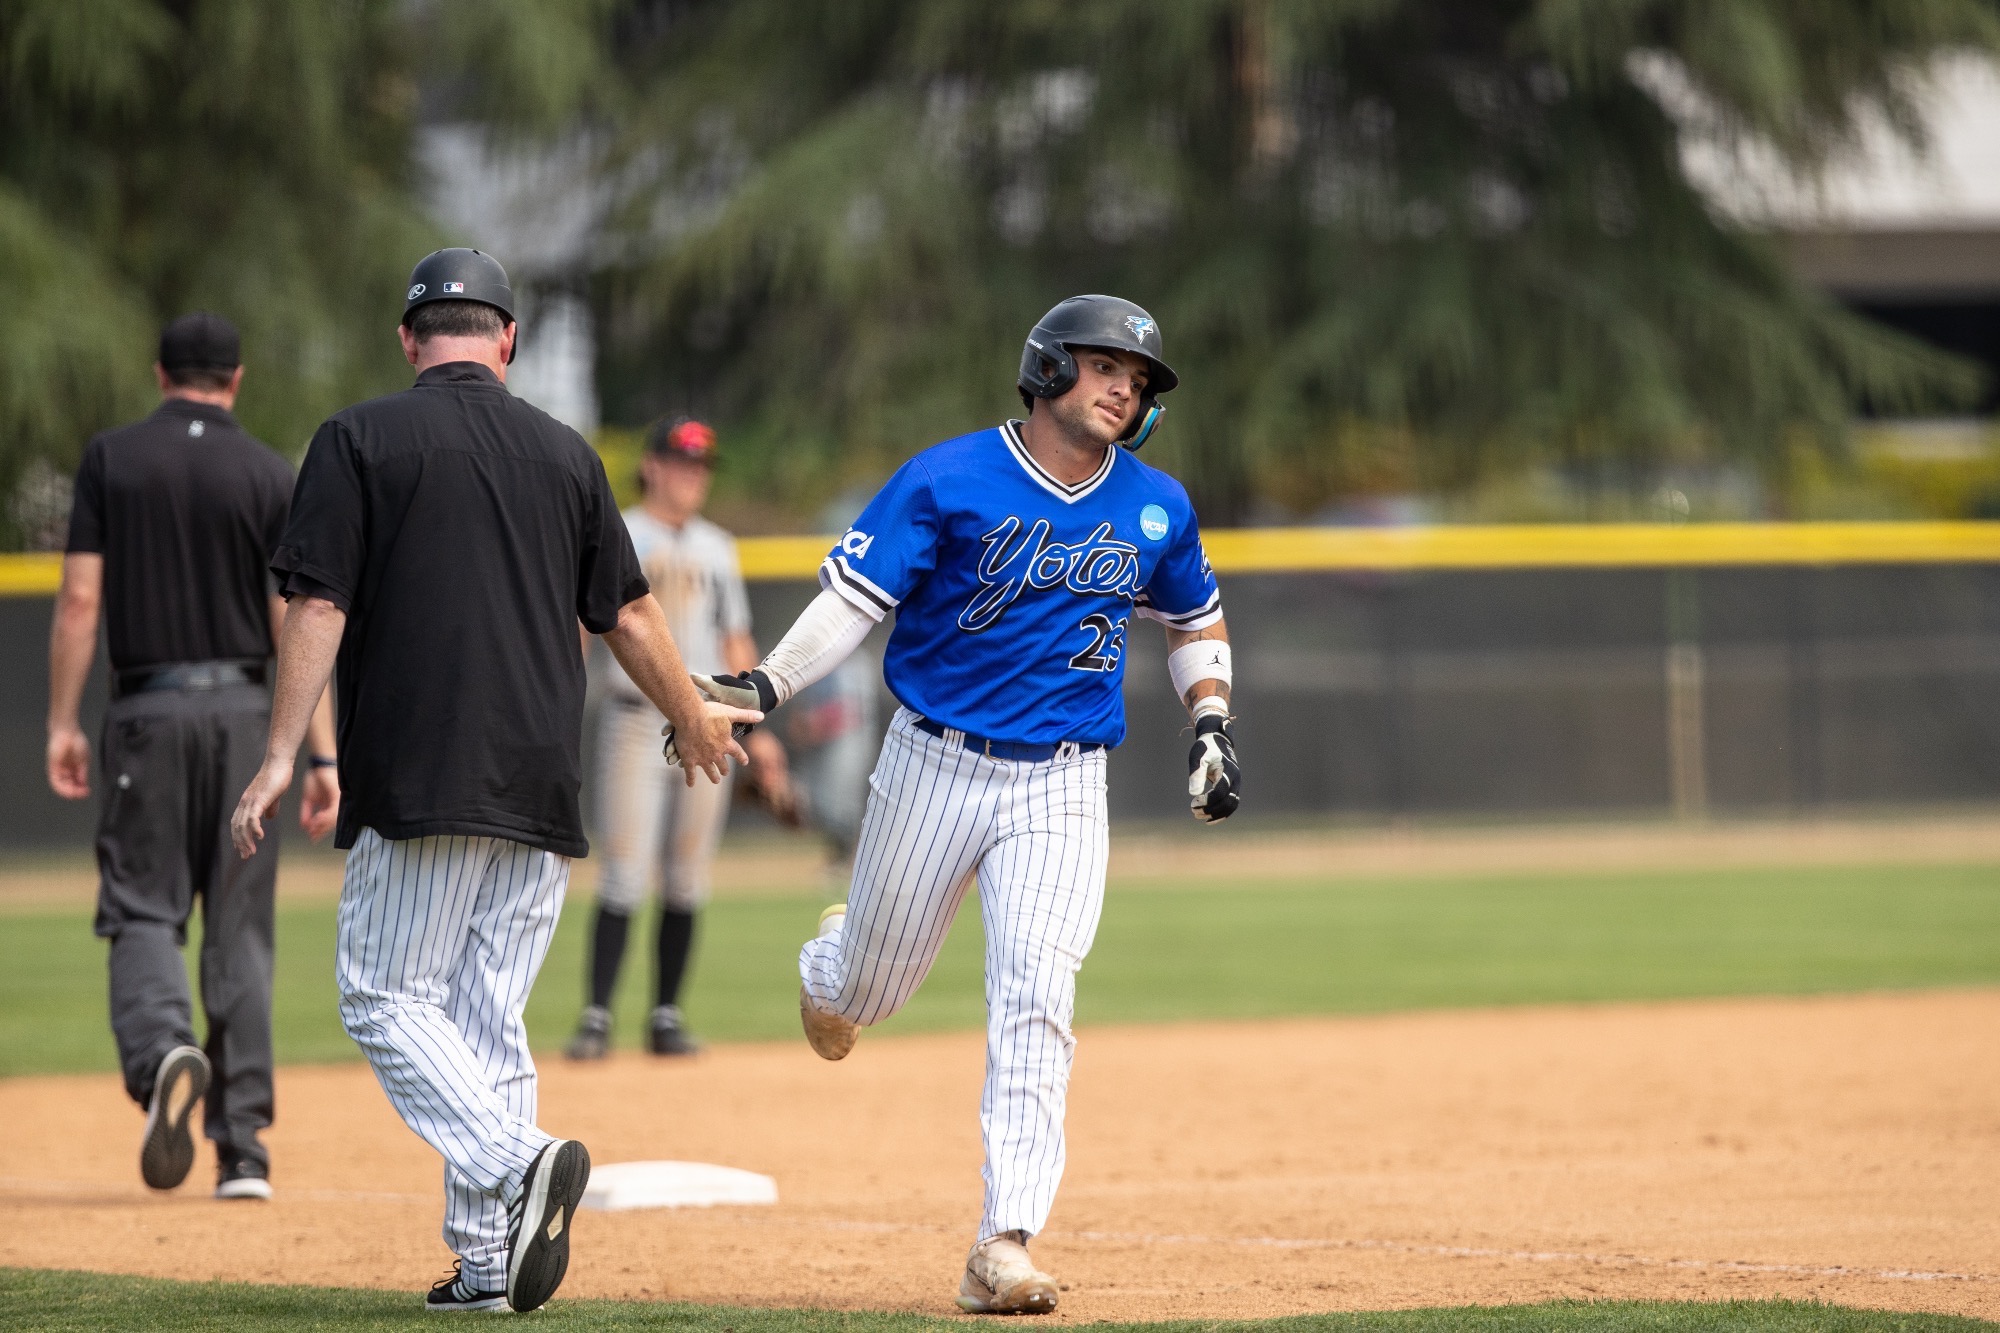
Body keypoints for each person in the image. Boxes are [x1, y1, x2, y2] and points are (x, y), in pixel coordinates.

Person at [226, 249, 758, 1314]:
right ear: (506, 339)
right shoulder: (565, 453)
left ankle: (519, 1159)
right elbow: (632, 613)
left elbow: (316, 605)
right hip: (541, 773)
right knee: (484, 1019)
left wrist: (283, 753)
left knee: (382, 997)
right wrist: (691, 714)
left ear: (407, 339)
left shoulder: (356, 437)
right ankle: (483, 1263)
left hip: (423, 766)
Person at [693, 296, 1240, 1314]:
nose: (1124, 386)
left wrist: (1210, 723)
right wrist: (763, 684)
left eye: (1140, 378)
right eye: (1103, 366)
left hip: (1066, 779)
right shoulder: (946, 476)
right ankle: (832, 966)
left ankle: (1002, 1242)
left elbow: (1194, 618)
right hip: (934, 764)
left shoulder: (1155, 502)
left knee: (1037, 991)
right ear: (1045, 368)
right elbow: (853, 602)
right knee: (868, 992)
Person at [46, 312, 340, 1203]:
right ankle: (243, 1149)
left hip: (149, 708)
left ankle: (163, 1049)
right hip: (253, 713)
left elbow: (80, 600)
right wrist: (319, 754)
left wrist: (62, 718)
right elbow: (293, 619)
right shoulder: (265, 470)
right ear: (237, 379)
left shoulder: (112, 459)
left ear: (160, 371)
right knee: (241, 928)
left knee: (142, 907)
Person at [565, 417, 793, 1061]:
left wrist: (763, 734)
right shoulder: (623, 530)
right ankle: (597, 1015)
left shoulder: (718, 546)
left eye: (701, 465)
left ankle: (665, 1015)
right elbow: (585, 627)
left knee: (687, 873)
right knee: (624, 870)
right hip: (634, 718)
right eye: (681, 461)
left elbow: (735, 641)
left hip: (712, 719)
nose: (693, 474)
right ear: (652, 465)